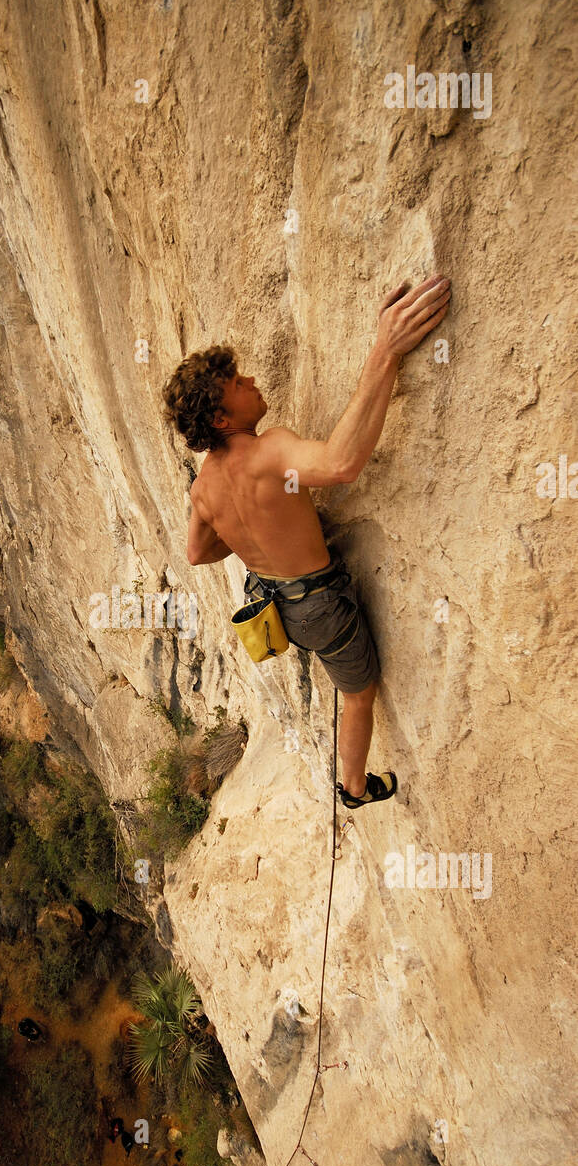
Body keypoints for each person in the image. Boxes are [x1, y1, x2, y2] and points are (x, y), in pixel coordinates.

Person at [161, 276, 451, 808]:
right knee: (359, 694)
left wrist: (255, 540)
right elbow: (342, 463)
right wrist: (384, 350)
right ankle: (355, 788)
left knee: (343, 675)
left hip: (275, 603)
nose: (250, 378)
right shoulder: (268, 451)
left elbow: (198, 552)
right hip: (319, 606)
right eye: (238, 383)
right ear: (223, 418)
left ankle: (354, 780)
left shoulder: (205, 487)